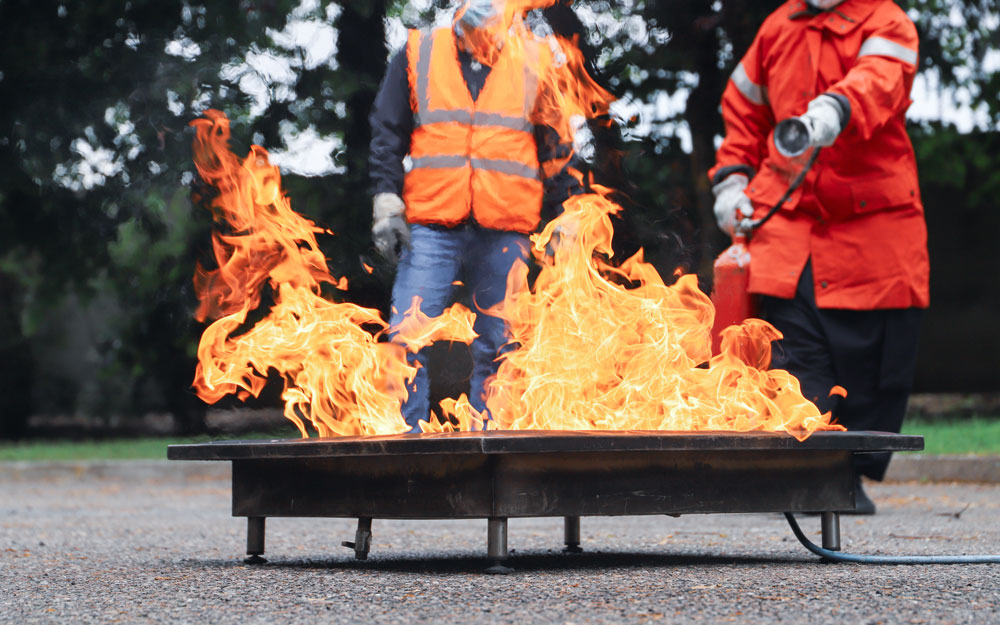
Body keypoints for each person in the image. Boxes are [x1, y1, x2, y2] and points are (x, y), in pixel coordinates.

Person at [709, 0, 929, 513]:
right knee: (790, 354)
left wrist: (834, 108)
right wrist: (732, 182)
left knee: (871, 363)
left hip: (871, 228)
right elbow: (743, 114)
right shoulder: (777, 29)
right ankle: (806, 473)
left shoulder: (886, 20)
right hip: (788, 227)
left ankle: (845, 474)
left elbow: (880, 80)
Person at [368, 0, 581, 431]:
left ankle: (494, 444)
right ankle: (402, 447)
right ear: (460, 21)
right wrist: (386, 200)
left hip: (506, 228)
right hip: (431, 226)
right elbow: (387, 132)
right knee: (405, 339)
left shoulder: (537, 60)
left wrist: (568, 214)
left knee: (502, 346)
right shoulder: (418, 52)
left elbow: (558, 148)